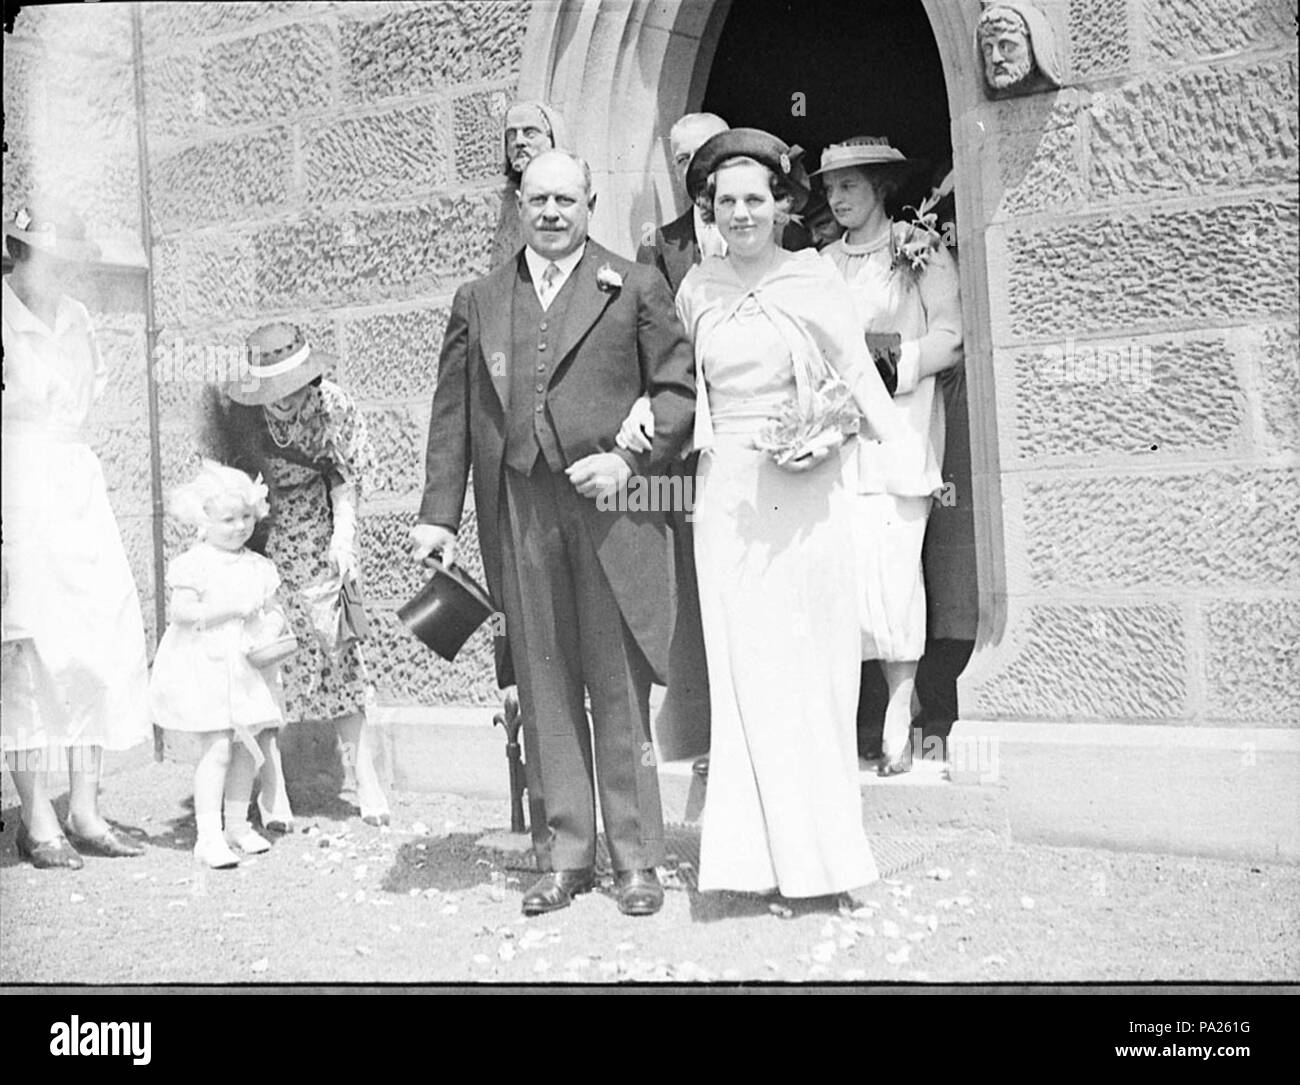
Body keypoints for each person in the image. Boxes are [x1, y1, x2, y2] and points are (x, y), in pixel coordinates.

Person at [411, 150, 696, 917]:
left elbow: (677, 391)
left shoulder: (635, 285)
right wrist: (439, 515)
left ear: (590, 202)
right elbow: (452, 416)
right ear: (517, 203)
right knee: (542, 683)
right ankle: (565, 851)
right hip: (521, 512)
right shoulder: (479, 298)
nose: (550, 212)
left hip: (609, 510)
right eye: (536, 199)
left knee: (617, 683)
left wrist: (629, 460)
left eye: (565, 199)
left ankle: (637, 858)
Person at [675, 129, 898, 899]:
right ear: (709, 209)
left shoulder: (813, 280)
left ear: (780, 204)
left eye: (754, 198)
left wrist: (839, 439)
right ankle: (752, 862)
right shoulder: (695, 290)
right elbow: (678, 392)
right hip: (730, 495)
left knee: (816, 672)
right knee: (746, 675)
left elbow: (858, 382)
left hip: (808, 490)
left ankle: (826, 862)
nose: (741, 212)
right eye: (725, 200)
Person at [1, 201, 149, 869]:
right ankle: (36, 818)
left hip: (75, 487)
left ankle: (85, 805)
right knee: (29, 650)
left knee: (97, 633)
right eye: (48, 261)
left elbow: (82, 406)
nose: (58, 276)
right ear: (20, 253)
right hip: (17, 482)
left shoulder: (77, 320)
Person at [815, 137, 964, 775]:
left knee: (895, 569)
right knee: (845, 577)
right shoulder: (819, 263)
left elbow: (951, 338)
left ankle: (900, 710)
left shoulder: (919, 249)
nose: (836, 197)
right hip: (838, 438)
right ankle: (847, 712)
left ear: (879, 186)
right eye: (829, 188)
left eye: (849, 185)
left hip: (899, 432)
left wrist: (891, 363)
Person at [200, 322, 389, 827]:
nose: (281, 403)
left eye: (290, 392)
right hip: (261, 538)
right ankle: (272, 790)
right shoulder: (241, 418)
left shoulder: (334, 407)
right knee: (267, 662)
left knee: (341, 653)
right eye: (272, 394)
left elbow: (345, 477)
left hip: (321, 534)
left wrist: (343, 540)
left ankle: (365, 778)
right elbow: (225, 490)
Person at [149, 462, 290, 868]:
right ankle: (207, 835)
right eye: (228, 519)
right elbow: (181, 611)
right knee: (218, 750)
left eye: (246, 516)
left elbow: (274, 609)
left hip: (246, 668)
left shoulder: (258, 567)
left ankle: (236, 824)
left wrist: (270, 626)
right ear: (203, 521)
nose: (239, 526)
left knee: (247, 748)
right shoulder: (196, 563)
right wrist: (229, 609)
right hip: (207, 667)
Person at [493, 100, 570, 268]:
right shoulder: (507, 205)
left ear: (551, 139)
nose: (518, 142)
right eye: (512, 135)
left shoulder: (570, 195)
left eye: (530, 133)